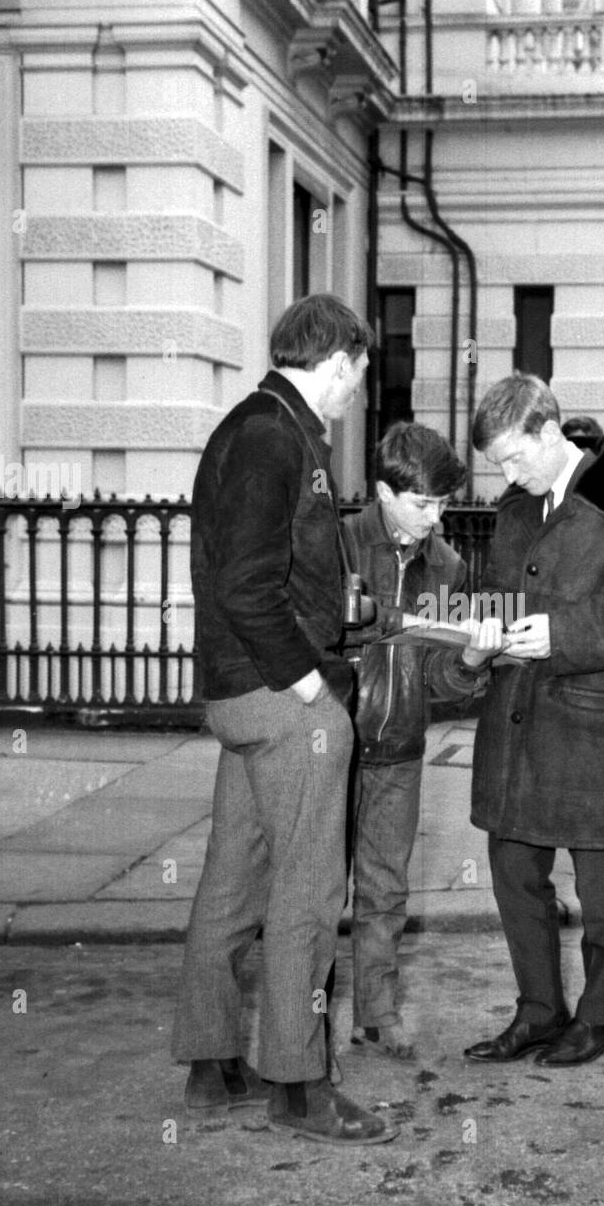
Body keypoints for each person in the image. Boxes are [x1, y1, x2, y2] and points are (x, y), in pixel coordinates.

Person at [172, 292, 397, 1146]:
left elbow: (254, 571)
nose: (356, 391)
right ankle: (298, 1087)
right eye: (358, 373)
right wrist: (310, 686)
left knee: (232, 879)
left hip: (240, 696)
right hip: (283, 699)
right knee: (307, 894)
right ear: (337, 360)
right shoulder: (277, 437)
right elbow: (246, 586)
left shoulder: (250, 425)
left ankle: (211, 1062)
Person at [464, 373, 604, 1067]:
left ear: (548, 431)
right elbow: (502, 596)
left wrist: (562, 634)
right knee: (513, 866)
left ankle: (601, 1016)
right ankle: (537, 1011)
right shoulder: (516, 506)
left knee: (600, 883)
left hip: (597, 728)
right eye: (497, 463)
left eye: (513, 457)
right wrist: (481, 633)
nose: (506, 473)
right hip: (519, 723)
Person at [343, 422, 500, 1060]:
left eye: (441, 504)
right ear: (383, 490)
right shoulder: (341, 543)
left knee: (384, 889)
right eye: (421, 504)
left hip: (399, 743)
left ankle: (375, 1015)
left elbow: (440, 676)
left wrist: (471, 661)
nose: (435, 519)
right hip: (328, 738)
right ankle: (298, 1026)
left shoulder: (448, 565)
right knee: (313, 887)